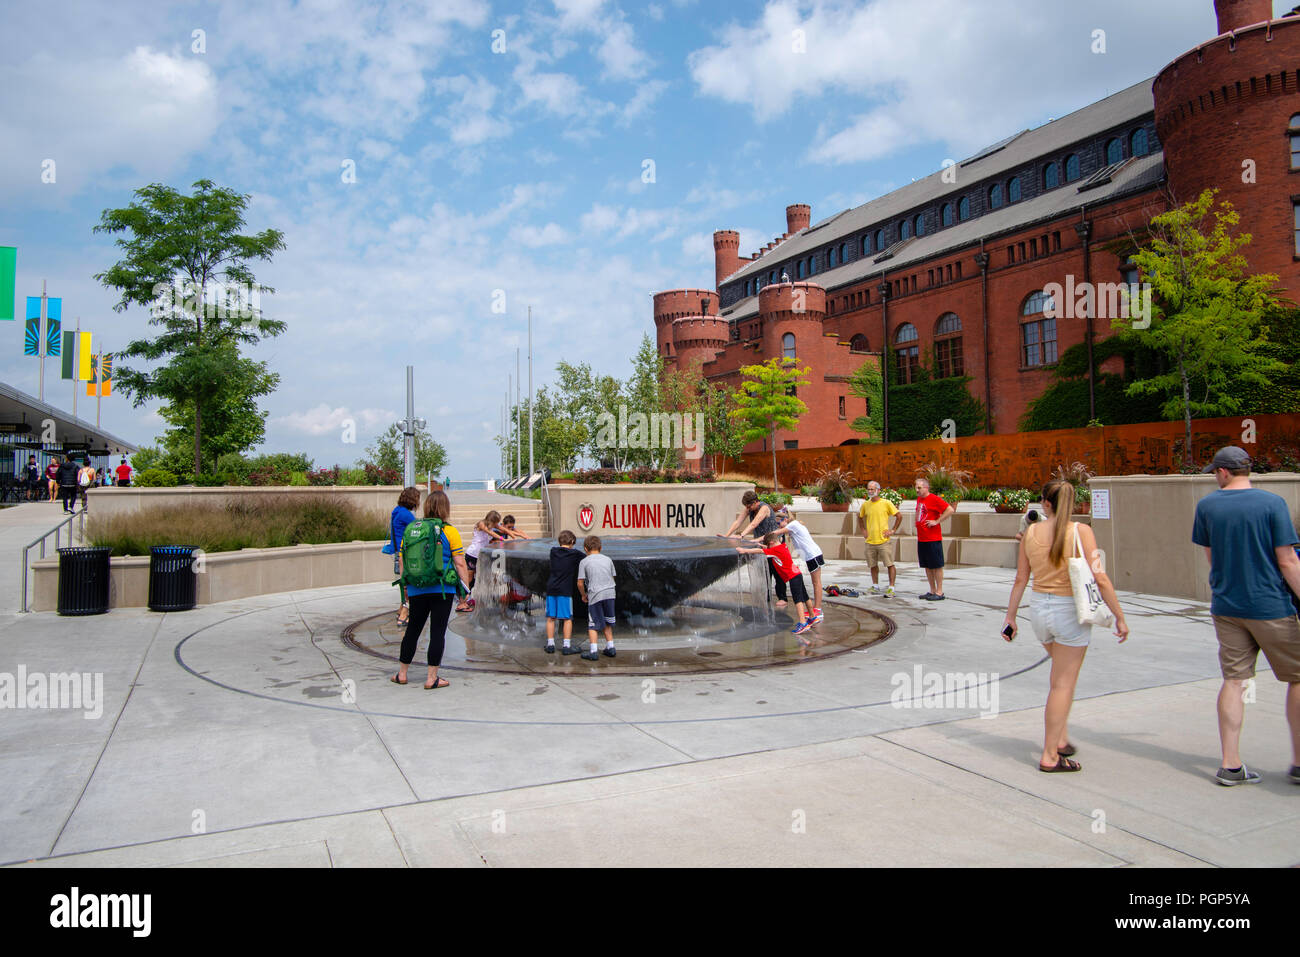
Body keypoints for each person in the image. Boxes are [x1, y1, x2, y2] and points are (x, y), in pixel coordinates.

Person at [1191, 446, 1300, 787]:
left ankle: (1231, 764)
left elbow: (1212, 558)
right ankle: (1298, 762)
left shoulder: (1207, 506)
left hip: (1227, 607)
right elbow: (1288, 560)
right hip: (1271, 606)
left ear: (1223, 472)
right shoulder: (1272, 504)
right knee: (1297, 679)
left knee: (1235, 681)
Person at [1003, 478, 1129, 773]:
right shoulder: (1081, 532)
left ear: (1045, 503)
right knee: (1063, 683)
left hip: (1038, 611)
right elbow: (1100, 577)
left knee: (1058, 678)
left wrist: (1010, 617)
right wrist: (1119, 616)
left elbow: (1021, 578)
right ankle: (1050, 754)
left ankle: (1060, 738)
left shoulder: (1031, 532)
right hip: (1069, 612)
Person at [391, 490, 469, 690]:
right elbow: (460, 562)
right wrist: (466, 589)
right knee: (437, 632)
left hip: (417, 588)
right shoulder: (449, 531)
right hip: (442, 588)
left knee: (413, 630)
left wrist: (406, 585)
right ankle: (431, 677)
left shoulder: (412, 529)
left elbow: (402, 559)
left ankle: (402, 674)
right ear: (446, 508)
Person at [737, 531, 815, 639]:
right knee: (805, 596)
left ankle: (803, 623)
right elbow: (768, 548)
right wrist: (763, 545)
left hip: (793, 577)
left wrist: (744, 550)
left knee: (798, 600)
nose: (768, 547)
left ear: (772, 542)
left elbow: (760, 551)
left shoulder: (775, 550)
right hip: (797, 574)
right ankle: (812, 617)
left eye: (769, 545)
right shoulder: (782, 546)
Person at [724, 489, 786, 604]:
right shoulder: (749, 508)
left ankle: (782, 598)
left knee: (777, 570)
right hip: (761, 543)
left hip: (775, 542)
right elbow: (738, 522)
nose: (747, 509)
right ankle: (766, 597)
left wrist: (741, 535)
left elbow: (754, 523)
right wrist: (726, 536)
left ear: (755, 502)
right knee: (764, 570)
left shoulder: (764, 508)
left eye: (748, 506)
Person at [776, 509, 825, 623]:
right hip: (810, 556)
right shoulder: (793, 525)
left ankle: (818, 610)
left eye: (779, 523)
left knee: (816, 582)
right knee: (815, 582)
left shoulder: (793, 525)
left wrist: (758, 538)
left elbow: (776, 533)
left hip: (813, 555)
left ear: (785, 519)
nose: (778, 526)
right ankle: (816, 609)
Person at [577, 535, 618, 661]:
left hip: (595, 594)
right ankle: (610, 647)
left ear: (585, 548)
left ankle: (593, 651)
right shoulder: (608, 559)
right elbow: (613, 577)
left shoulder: (584, 561)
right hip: (610, 593)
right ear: (601, 547)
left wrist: (583, 595)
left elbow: (580, 582)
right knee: (607, 621)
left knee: (593, 623)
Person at [858, 481, 901, 597]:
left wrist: (893, 530)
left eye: (872, 489)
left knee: (889, 564)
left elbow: (899, 516)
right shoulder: (865, 505)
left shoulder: (886, 503)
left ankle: (891, 587)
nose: (870, 491)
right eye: (869, 489)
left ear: (878, 490)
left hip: (883, 540)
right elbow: (860, 517)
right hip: (870, 541)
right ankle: (875, 585)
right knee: (872, 565)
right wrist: (863, 530)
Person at [914, 477, 954, 601]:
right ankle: (932, 590)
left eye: (919, 487)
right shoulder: (920, 499)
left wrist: (937, 521)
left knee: (936, 565)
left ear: (926, 487)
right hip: (922, 538)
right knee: (927, 565)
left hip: (933, 538)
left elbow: (950, 509)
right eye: (916, 487)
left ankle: (939, 591)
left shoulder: (934, 499)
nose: (917, 490)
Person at [545, 530, 584, 655]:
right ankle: (566, 646)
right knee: (567, 618)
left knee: (551, 617)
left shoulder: (553, 551)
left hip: (551, 588)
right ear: (572, 542)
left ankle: (550, 644)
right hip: (564, 590)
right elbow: (586, 558)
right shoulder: (575, 554)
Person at [462, 510, 506, 612]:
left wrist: (513, 534)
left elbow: (503, 529)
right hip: (472, 554)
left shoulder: (492, 526)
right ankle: (464, 600)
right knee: (469, 578)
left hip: (481, 555)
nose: (497, 524)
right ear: (492, 520)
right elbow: (489, 532)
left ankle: (475, 598)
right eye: (496, 522)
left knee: (481, 577)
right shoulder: (481, 524)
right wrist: (502, 539)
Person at [389, 486, 420, 626]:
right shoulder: (406, 515)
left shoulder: (396, 511)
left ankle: (402, 608)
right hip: (407, 553)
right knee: (408, 583)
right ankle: (404, 614)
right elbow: (418, 529)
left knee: (404, 581)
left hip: (398, 551)